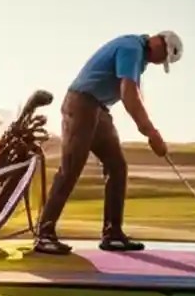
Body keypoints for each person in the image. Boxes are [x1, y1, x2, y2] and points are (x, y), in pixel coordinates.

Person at [34, 31, 183, 255]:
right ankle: (44, 235)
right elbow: (129, 93)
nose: (161, 62)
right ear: (159, 42)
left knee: (117, 166)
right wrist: (151, 133)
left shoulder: (138, 55)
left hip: (98, 109)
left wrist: (149, 129)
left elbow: (134, 95)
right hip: (81, 103)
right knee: (71, 167)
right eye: (164, 58)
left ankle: (112, 234)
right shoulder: (132, 48)